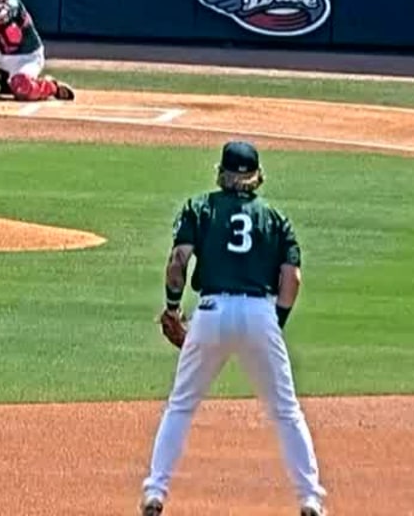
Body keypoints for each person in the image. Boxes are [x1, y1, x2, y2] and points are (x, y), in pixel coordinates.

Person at [139, 141, 326, 516]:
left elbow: (178, 262)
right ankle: (310, 500)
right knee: (286, 410)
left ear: (222, 172)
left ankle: (155, 493)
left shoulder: (200, 207)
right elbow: (292, 279)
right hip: (260, 313)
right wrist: (275, 322)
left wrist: (173, 309)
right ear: (256, 175)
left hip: (210, 311)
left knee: (181, 405)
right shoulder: (275, 218)